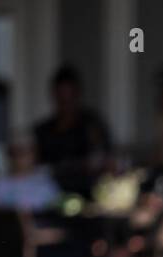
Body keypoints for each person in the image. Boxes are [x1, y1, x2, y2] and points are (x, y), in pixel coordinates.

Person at [33, 65, 111, 196]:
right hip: (48, 194)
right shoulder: (42, 130)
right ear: (54, 96)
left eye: (69, 98)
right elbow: (35, 167)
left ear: (78, 95)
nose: (65, 104)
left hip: (87, 192)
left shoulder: (92, 125)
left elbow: (102, 159)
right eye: (61, 99)